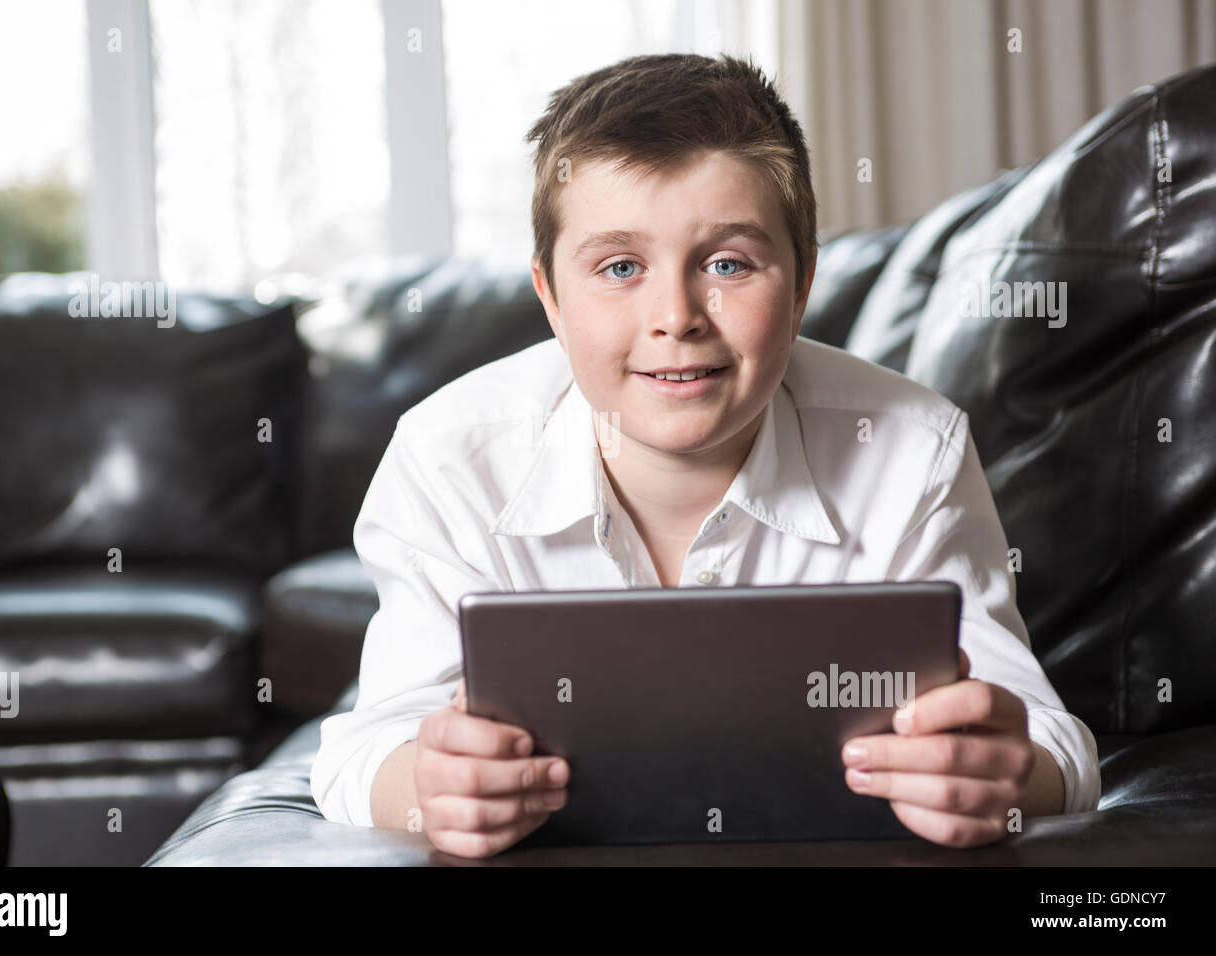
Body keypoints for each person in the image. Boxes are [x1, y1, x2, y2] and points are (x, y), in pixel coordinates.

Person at [310, 52, 1100, 859]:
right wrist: (428, 787)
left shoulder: (912, 448)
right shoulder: (448, 456)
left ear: (800, 291)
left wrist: (1004, 777)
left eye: (727, 263)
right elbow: (361, 751)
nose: (677, 316)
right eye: (620, 267)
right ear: (549, 297)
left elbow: (1049, 743)